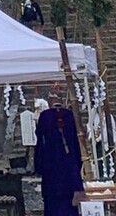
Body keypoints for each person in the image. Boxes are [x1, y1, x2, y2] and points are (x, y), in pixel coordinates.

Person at [33, 88, 84, 216]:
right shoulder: (70, 115)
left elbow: (40, 140)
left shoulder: (45, 116)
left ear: (50, 101)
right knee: (68, 202)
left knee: (53, 203)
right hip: (69, 163)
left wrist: (39, 165)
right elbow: (76, 141)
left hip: (51, 162)